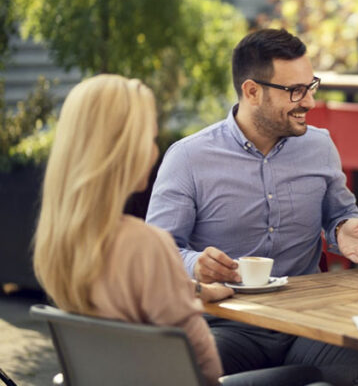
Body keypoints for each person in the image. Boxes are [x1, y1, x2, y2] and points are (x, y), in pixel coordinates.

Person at [32, 75, 325, 386]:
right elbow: (205, 366)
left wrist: (197, 290)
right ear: (123, 150)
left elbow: (128, 291)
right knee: (314, 378)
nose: (153, 151)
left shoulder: (61, 241)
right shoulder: (145, 245)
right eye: (148, 139)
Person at [146, 28, 358, 385]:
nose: (309, 102)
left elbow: (339, 215)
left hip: (309, 320)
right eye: (295, 91)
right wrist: (198, 265)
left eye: (311, 86)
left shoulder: (319, 146)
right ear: (252, 91)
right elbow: (157, 253)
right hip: (230, 324)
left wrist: (341, 229)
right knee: (186, 370)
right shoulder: (189, 158)